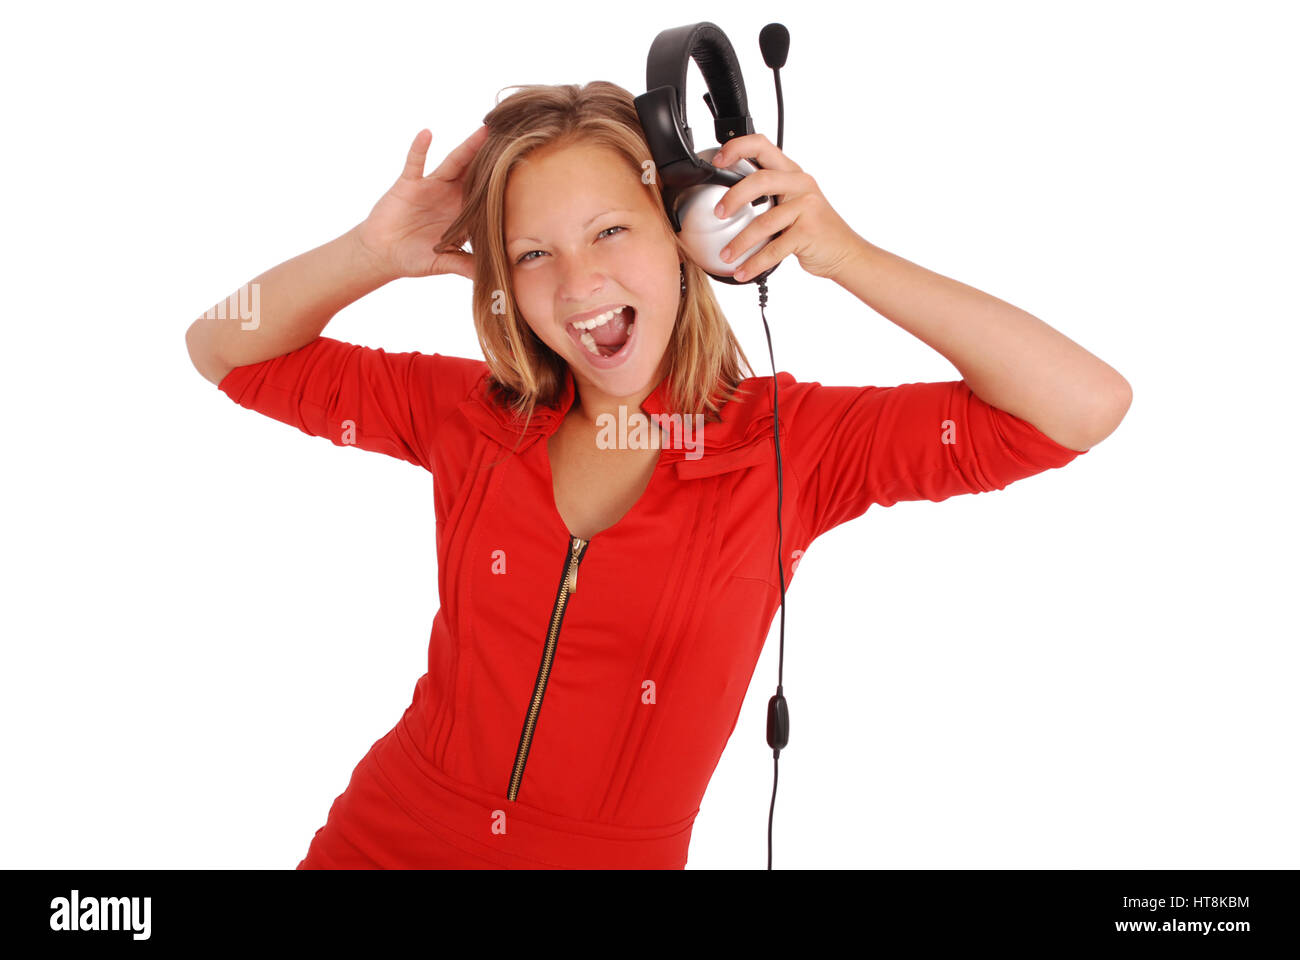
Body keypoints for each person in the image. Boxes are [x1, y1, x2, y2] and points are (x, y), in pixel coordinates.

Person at [185, 81, 1131, 869]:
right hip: (383, 840)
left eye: (609, 232)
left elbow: (1084, 403)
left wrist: (843, 254)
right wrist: (368, 254)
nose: (578, 283)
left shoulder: (791, 445)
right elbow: (224, 344)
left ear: (688, 241)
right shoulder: (475, 419)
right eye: (532, 253)